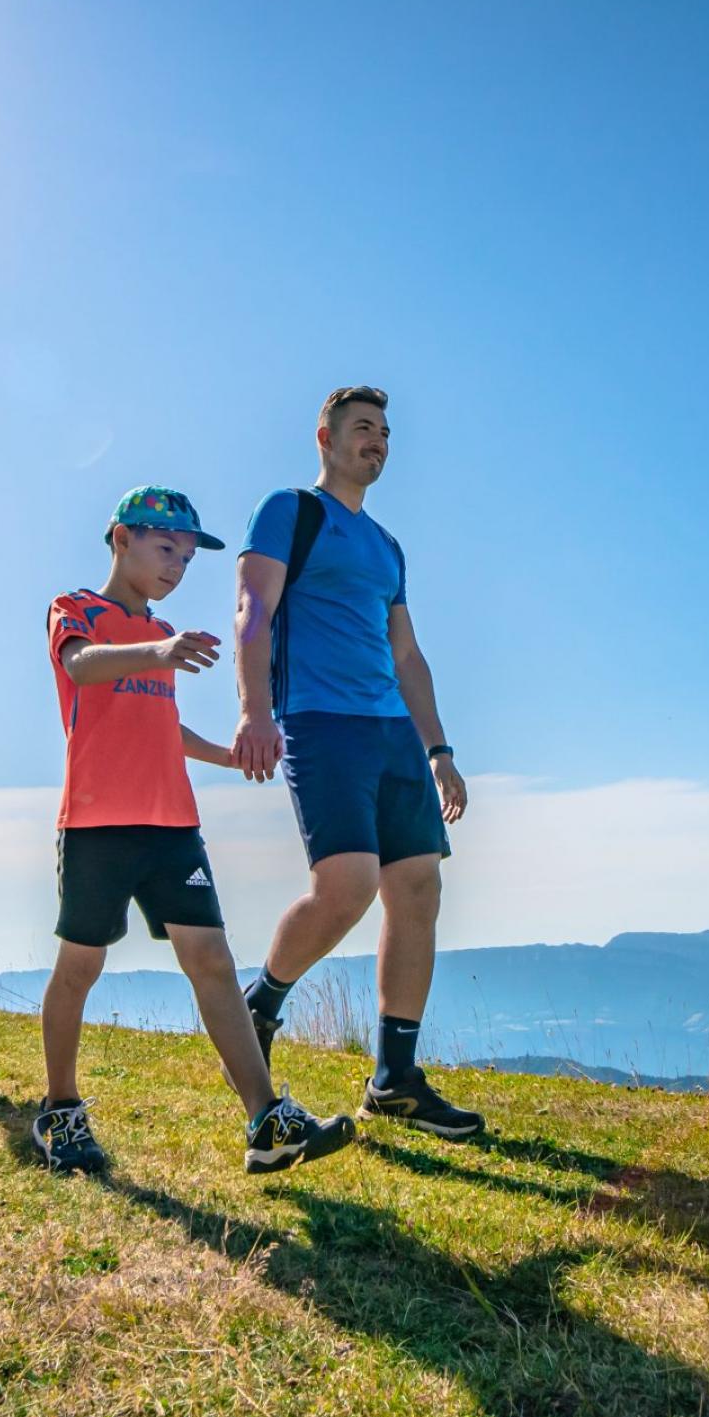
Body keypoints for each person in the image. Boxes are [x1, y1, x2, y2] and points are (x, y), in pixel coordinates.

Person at [36, 485, 356, 1176]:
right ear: (121, 539)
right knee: (81, 966)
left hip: (172, 823)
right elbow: (82, 668)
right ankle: (60, 1110)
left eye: (186, 556)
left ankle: (266, 1121)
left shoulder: (162, 636)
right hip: (97, 822)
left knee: (211, 962)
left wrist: (232, 751)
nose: (178, 565)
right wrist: (159, 652)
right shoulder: (77, 610)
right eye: (165, 548)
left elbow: (160, 726)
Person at [231, 388, 483, 1140]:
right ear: (326, 438)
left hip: (391, 732)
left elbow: (406, 654)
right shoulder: (289, 511)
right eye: (363, 429)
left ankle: (395, 1079)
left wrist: (438, 749)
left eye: (385, 433)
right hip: (320, 721)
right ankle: (261, 1007)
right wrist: (252, 711)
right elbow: (254, 611)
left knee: (417, 885)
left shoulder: (387, 547)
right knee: (345, 886)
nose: (377, 442)